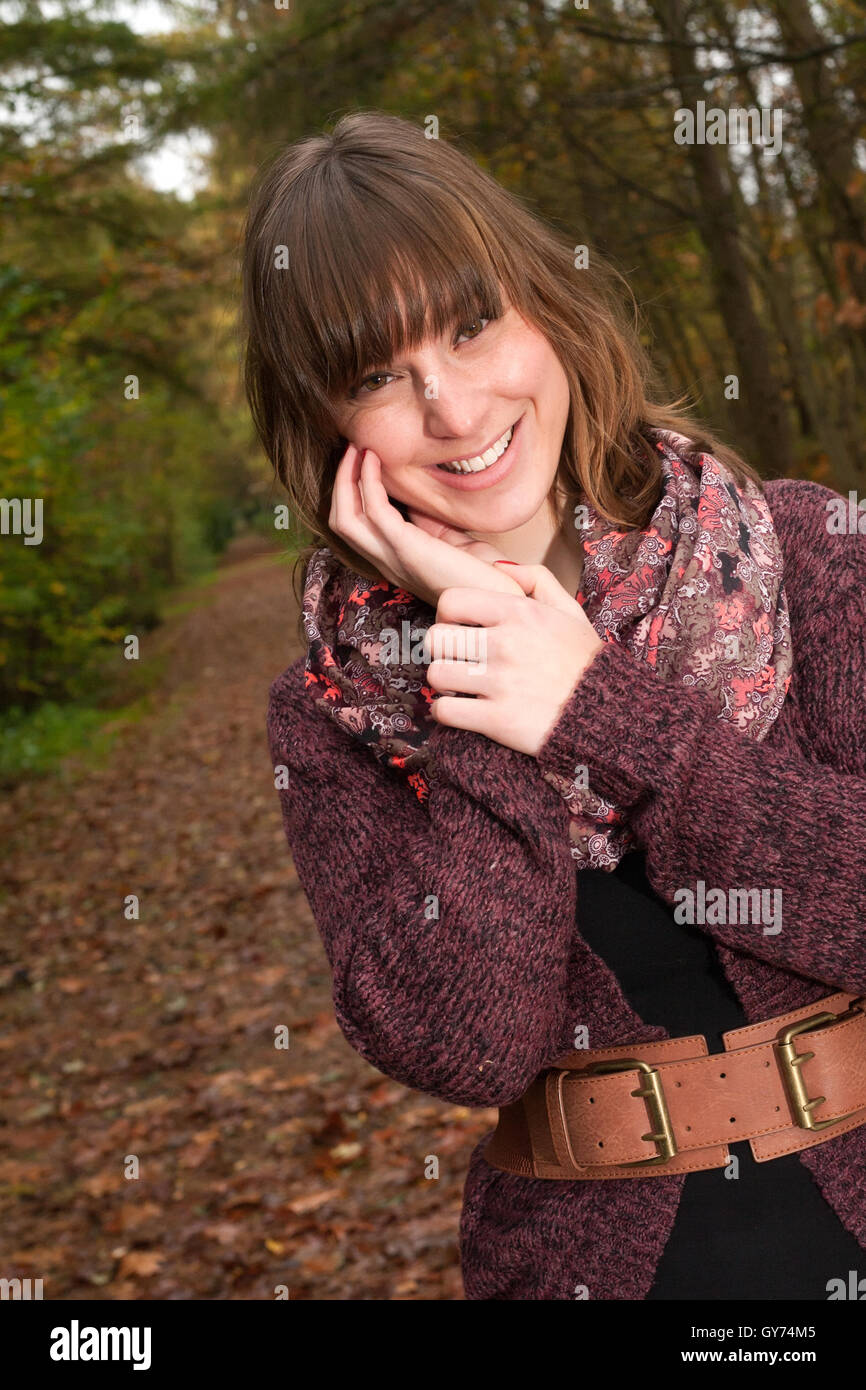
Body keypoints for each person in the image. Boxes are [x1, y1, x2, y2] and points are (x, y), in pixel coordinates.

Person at [241, 110, 866, 1300]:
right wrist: (475, 660)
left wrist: (599, 709)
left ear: (544, 306)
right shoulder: (329, 707)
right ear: (326, 425)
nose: (456, 410)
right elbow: (463, 1043)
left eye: (472, 327)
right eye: (379, 374)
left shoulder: (802, 549)